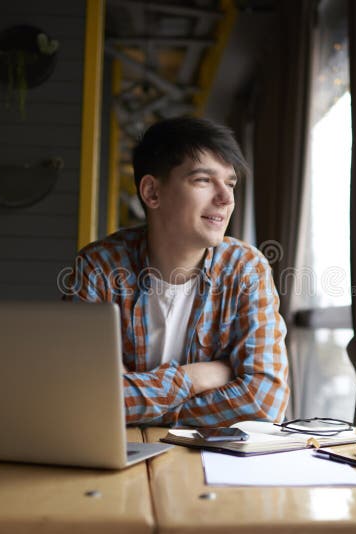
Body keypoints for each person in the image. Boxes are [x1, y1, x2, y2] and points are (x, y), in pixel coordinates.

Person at [64, 117, 289, 427]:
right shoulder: (99, 266)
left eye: (230, 183)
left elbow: (264, 402)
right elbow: (83, 396)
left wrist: (140, 409)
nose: (226, 198)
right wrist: (195, 377)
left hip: (218, 463)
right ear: (152, 192)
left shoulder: (246, 268)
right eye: (203, 180)